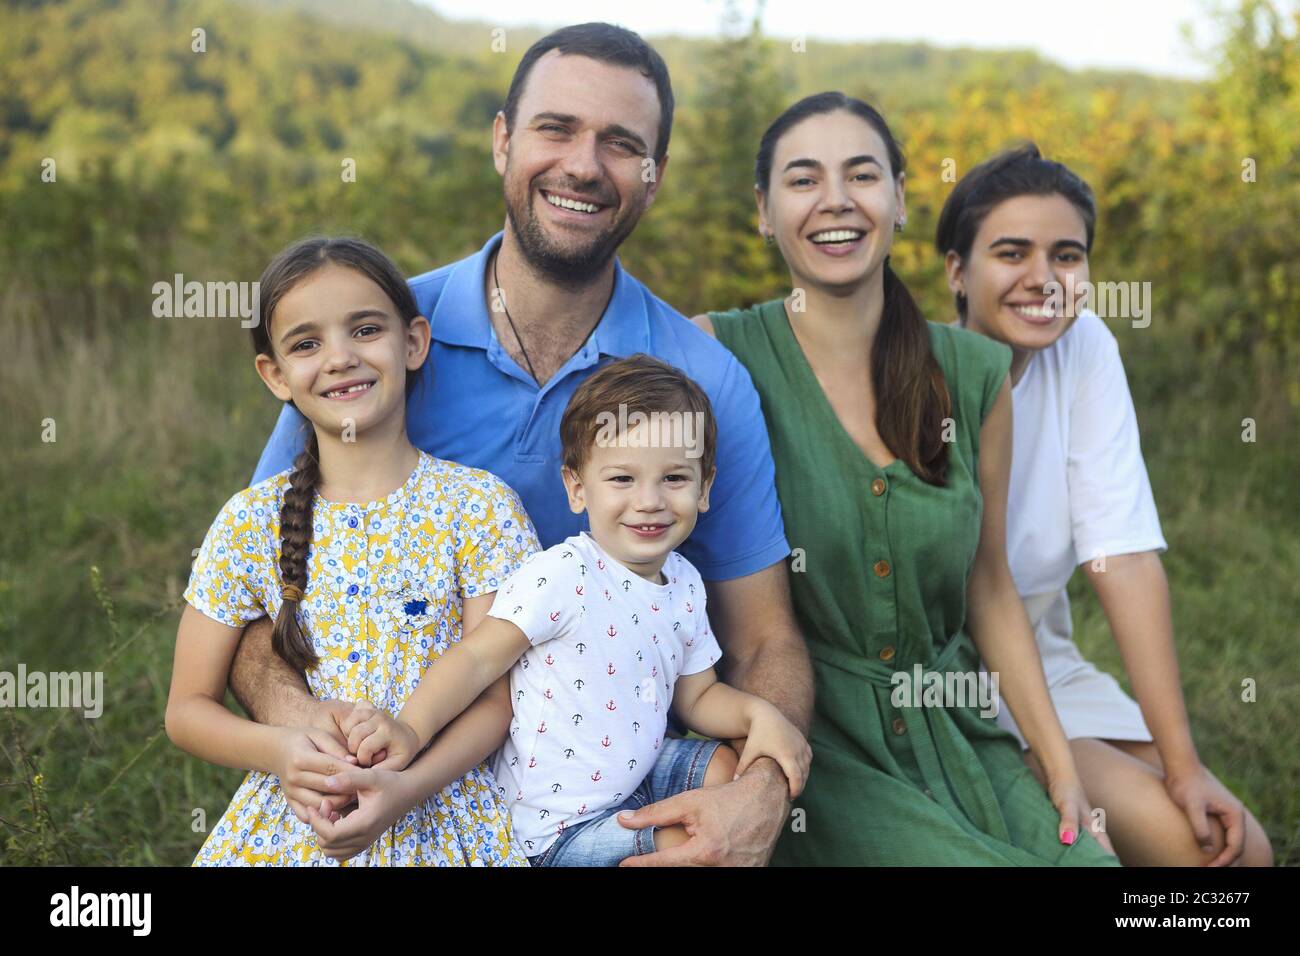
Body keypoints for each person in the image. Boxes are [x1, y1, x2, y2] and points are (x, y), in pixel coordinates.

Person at [228, 22, 812, 865]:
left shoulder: (702, 381)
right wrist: (316, 741)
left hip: (599, 776)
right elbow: (248, 596)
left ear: (654, 179)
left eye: (621, 144)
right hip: (382, 763)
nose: (583, 164)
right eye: (556, 127)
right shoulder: (373, 343)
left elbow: (764, 639)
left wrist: (760, 792)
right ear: (502, 141)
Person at [694, 92, 1118, 865]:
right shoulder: (718, 354)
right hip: (813, 746)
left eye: (861, 174)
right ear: (763, 211)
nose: (835, 201)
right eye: (802, 179)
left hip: (956, 727)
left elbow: (989, 587)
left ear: (899, 202)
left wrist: (1060, 769)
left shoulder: (976, 374)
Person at [935, 143, 1273, 866]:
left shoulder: (1083, 346)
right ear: (958, 273)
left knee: (1242, 853)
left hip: (1046, 661)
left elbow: (1118, 555)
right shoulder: (922, 375)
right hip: (950, 684)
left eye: (1066, 255)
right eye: (1011, 253)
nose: (1044, 280)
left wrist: (1184, 764)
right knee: (1185, 854)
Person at [341, 355, 812, 865]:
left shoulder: (685, 585)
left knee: (726, 772)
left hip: (639, 774)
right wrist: (411, 728)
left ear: (705, 488)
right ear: (576, 487)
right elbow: (476, 660)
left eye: (674, 478)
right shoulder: (564, 574)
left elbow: (698, 697)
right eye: (622, 479)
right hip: (556, 826)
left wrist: (757, 712)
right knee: (691, 850)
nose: (649, 500)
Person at [165, 236, 538, 865]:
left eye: (365, 329)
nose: (339, 358)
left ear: (413, 342)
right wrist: (282, 750)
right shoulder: (249, 522)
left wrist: (404, 787)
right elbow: (187, 709)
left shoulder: (479, 507)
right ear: (275, 375)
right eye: (306, 344)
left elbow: (498, 701)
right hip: (299, 816)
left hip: (442, 806)